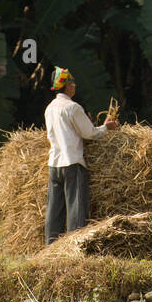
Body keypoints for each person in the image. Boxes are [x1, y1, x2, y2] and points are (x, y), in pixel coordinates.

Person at [44, 66, 118, 245]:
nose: (75, 85)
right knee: (76, 209)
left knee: (54, 209)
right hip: (72, 163)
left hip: (54, 164)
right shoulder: (72, 107)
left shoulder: (50, 108)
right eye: (72, 82)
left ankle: (50, 247)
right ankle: (73, 249)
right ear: (65, 85)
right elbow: (89, 133)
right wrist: (106, 127)